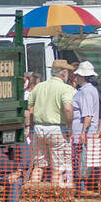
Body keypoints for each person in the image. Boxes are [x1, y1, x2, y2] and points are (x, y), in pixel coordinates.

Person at [26, 59, 75, 187]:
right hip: (56, 129)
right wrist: (70, 127)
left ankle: (32, 197)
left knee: (38, 166)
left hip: (38, 128)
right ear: (63, 74)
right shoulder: (65, 88)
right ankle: (55, 198)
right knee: (57, 167)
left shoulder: (39, 86)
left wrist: (30, 127)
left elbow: (30, 109)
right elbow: (68, 108)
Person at [70, 61, 101, 191]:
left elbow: (87, 115)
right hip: (86, 131)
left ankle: (83, 188)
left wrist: (83, 132)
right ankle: (86, 187)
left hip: (83, 132)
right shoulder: (90, 90)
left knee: (82, 162)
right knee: (86, 161)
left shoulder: (86, 91)